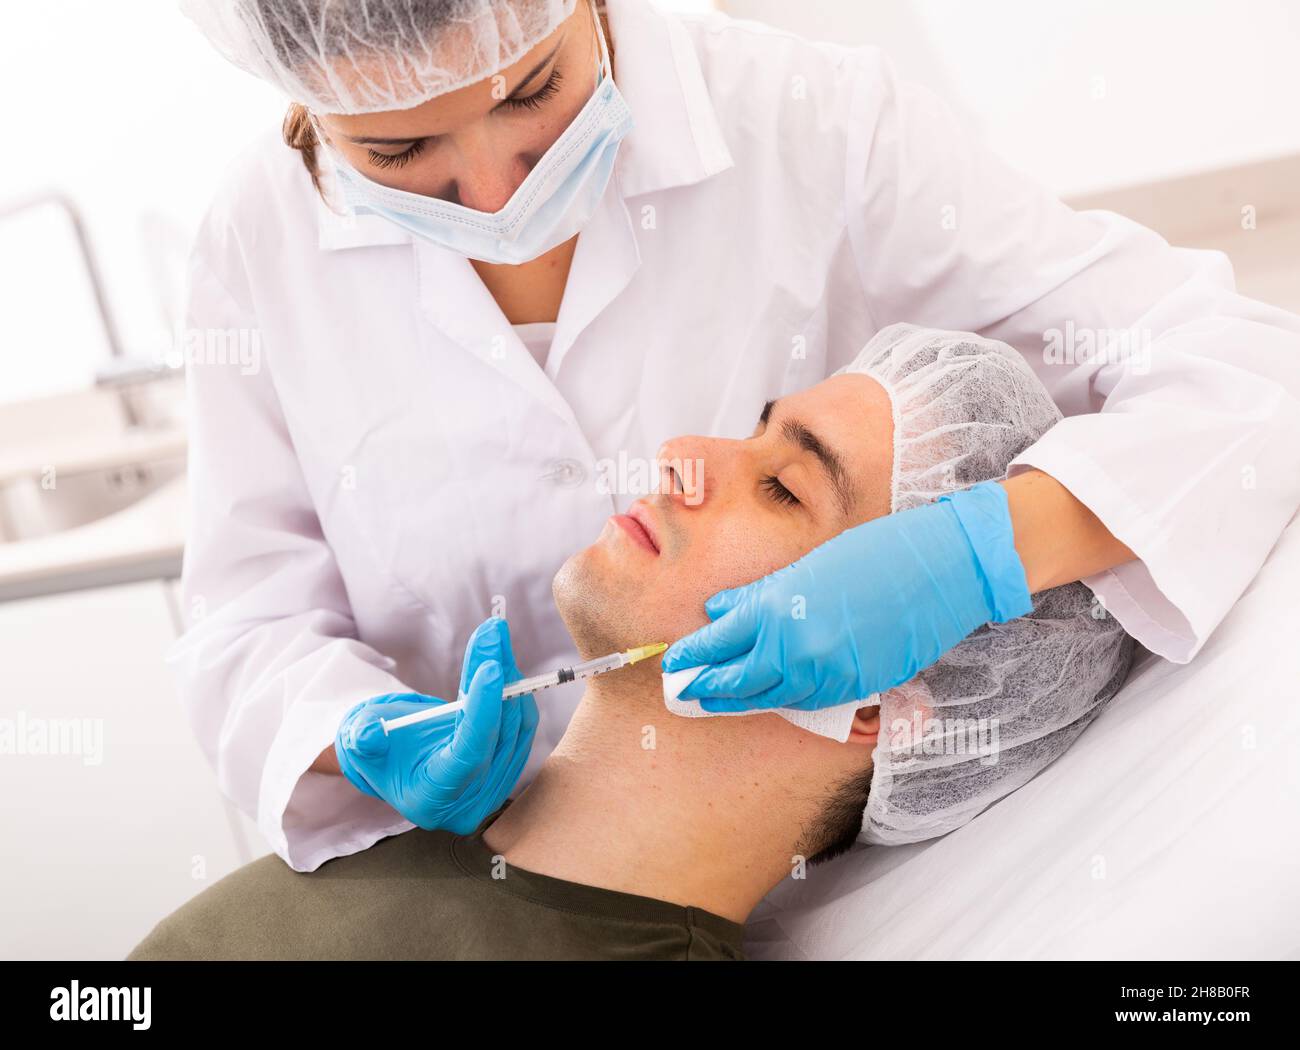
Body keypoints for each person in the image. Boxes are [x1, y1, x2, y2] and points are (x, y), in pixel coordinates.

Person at [172, 0, 1300, 874]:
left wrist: (985, 551)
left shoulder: (814, 124)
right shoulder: (254, 239)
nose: (489, 194)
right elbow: (246, 623)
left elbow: (1242, 368)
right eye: (402, 153)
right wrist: (349, 729)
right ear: (310, 109)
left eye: (532, 93)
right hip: (468, 878)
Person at [128, 328, 1132, 960]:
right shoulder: (381, 849)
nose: (684, 456)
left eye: (784, 487)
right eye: (754, 431)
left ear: (872, 701)